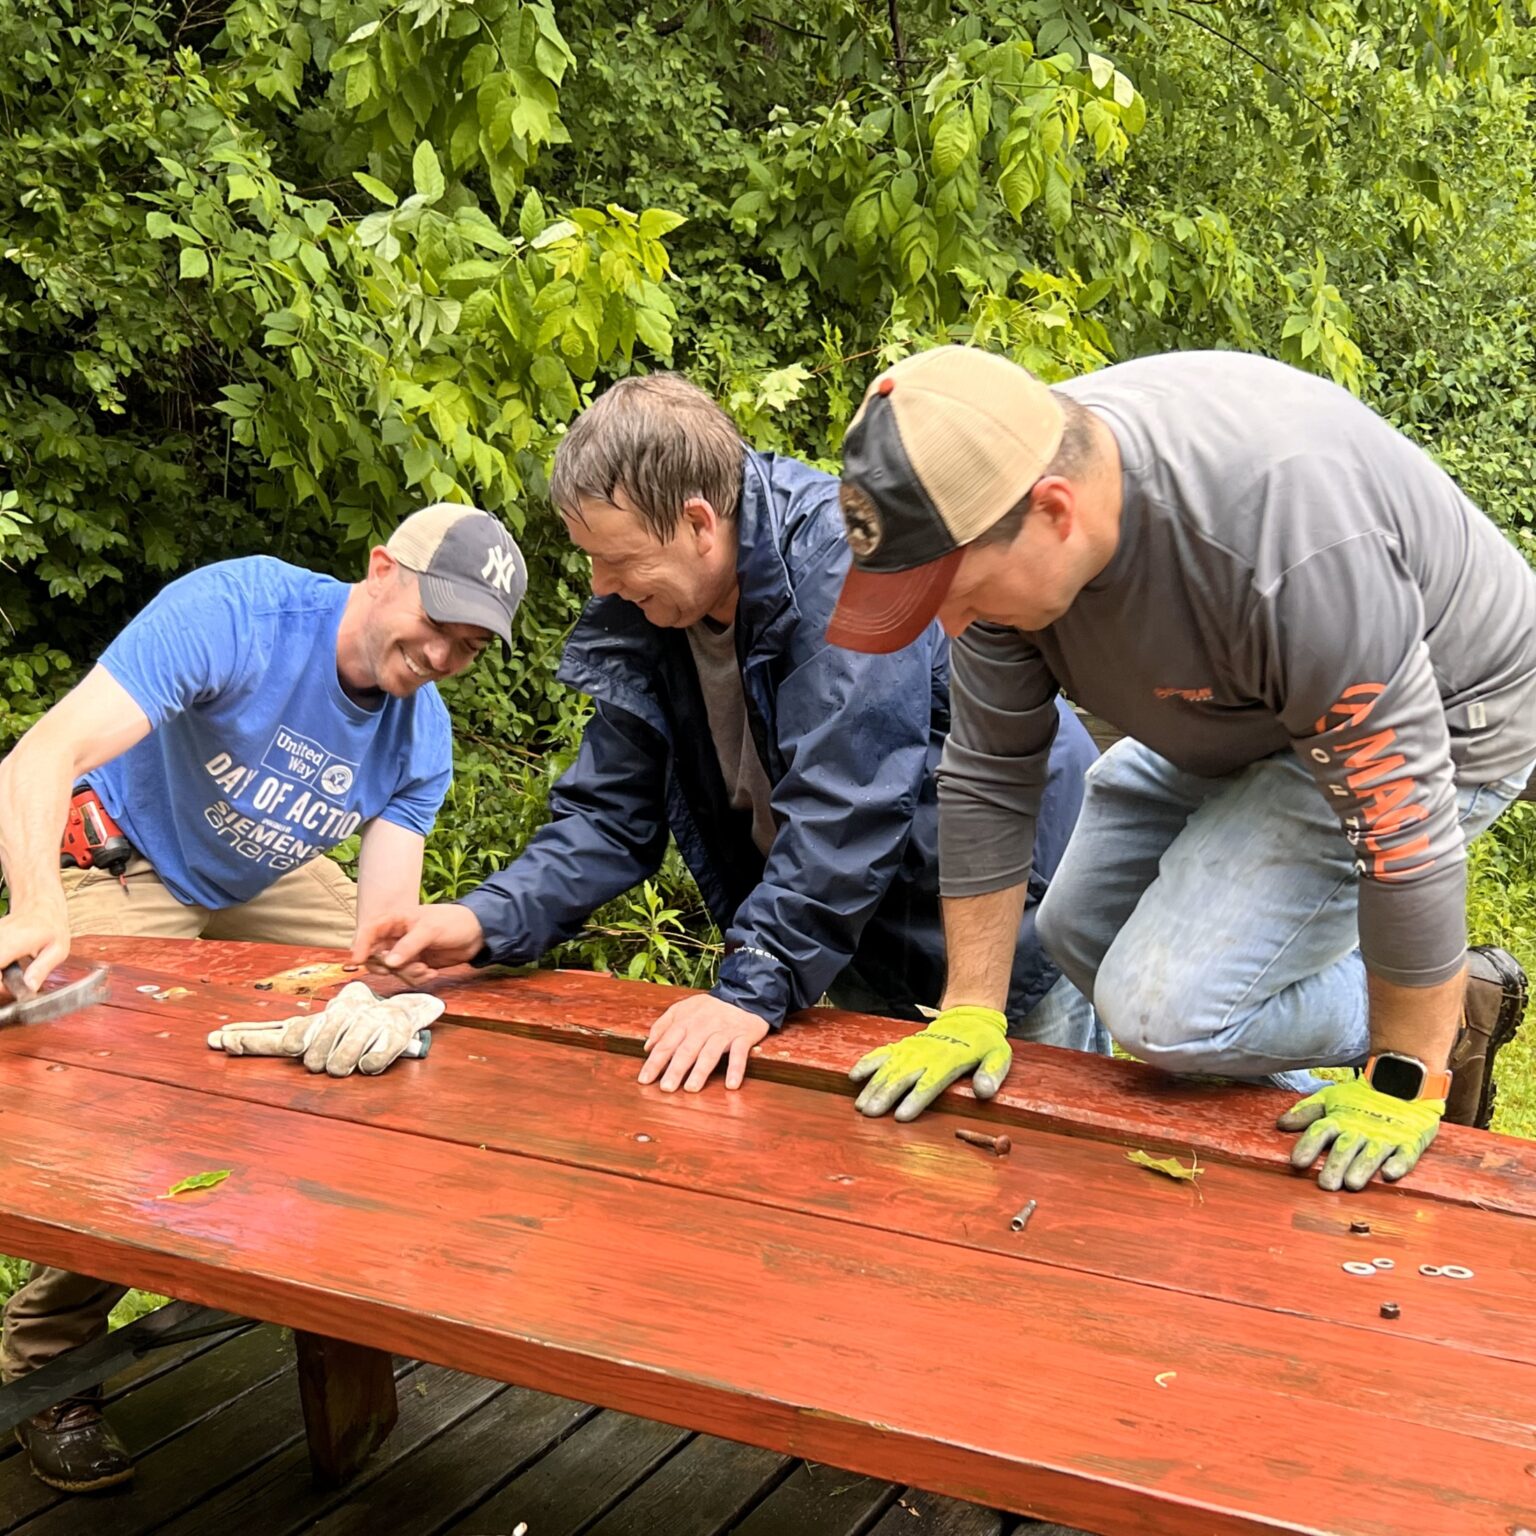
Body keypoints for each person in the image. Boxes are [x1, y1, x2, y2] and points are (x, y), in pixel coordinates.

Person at [827, 344, 1535, 1196]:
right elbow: (987, 769)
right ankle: (1285, 1081)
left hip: (1444, 722)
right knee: (1076, 931)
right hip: (1233, 706)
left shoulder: (1286, 541)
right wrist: (970, 1006)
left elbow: (1400, 827)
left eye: (961, 593)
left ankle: (1450, 1009)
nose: (947, 621)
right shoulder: (990, 487)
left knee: (1171, 1015)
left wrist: (1403, 1073)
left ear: (1056, 512)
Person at [361, 374, 1101, 1099]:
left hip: (1002, 931)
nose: (599, 585)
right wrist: (483, 918)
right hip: (847, 935)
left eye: (616, 559)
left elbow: (848, 808)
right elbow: (608, 816)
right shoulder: (652, 612)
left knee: (1042, 1171)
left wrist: (754, 982)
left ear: (698, 522)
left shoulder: (844, 566)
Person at [0, 502, 526, 1491]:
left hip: (261, 880)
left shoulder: (423, 741)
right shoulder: (241, 612)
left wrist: (395, 989)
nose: (447, 654)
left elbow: (381, 938)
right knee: (125, 1101)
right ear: (380, 569)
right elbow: (38, 755)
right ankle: (48, 1359)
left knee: (399, 1033)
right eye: (440, 622)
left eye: (472, 644)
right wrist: (34, 905)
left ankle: (336, 1278)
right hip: (130, 855)